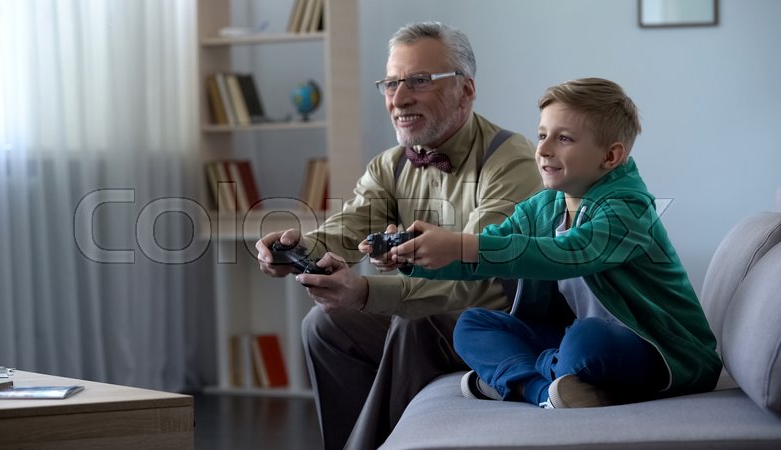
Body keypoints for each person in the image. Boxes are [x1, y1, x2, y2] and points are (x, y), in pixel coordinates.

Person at [255, 22, 542, 449]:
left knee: (414, 324)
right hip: (430, 315)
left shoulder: (510, 161)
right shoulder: (390, 165)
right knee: (325, 324)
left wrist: (367, 292)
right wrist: (298, 248)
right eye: (391, 83)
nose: (399, 98)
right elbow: (348, 226)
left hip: (496, 324)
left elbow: (477, 276)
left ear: (466, 90)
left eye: (419, 81)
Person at [390, 77, 722, 408]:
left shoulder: (630, 207)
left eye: (563, 138)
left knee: (586, 340)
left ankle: (517, 376)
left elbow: (573, 252)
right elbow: (488, 250)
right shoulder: (544, 205)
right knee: (473, 325)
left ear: (610, 156)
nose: (544, 149)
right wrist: (411, 256)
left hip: (657, 347)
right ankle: (543, 390)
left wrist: (462, 244)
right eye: (542, 135)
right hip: (570, 337)